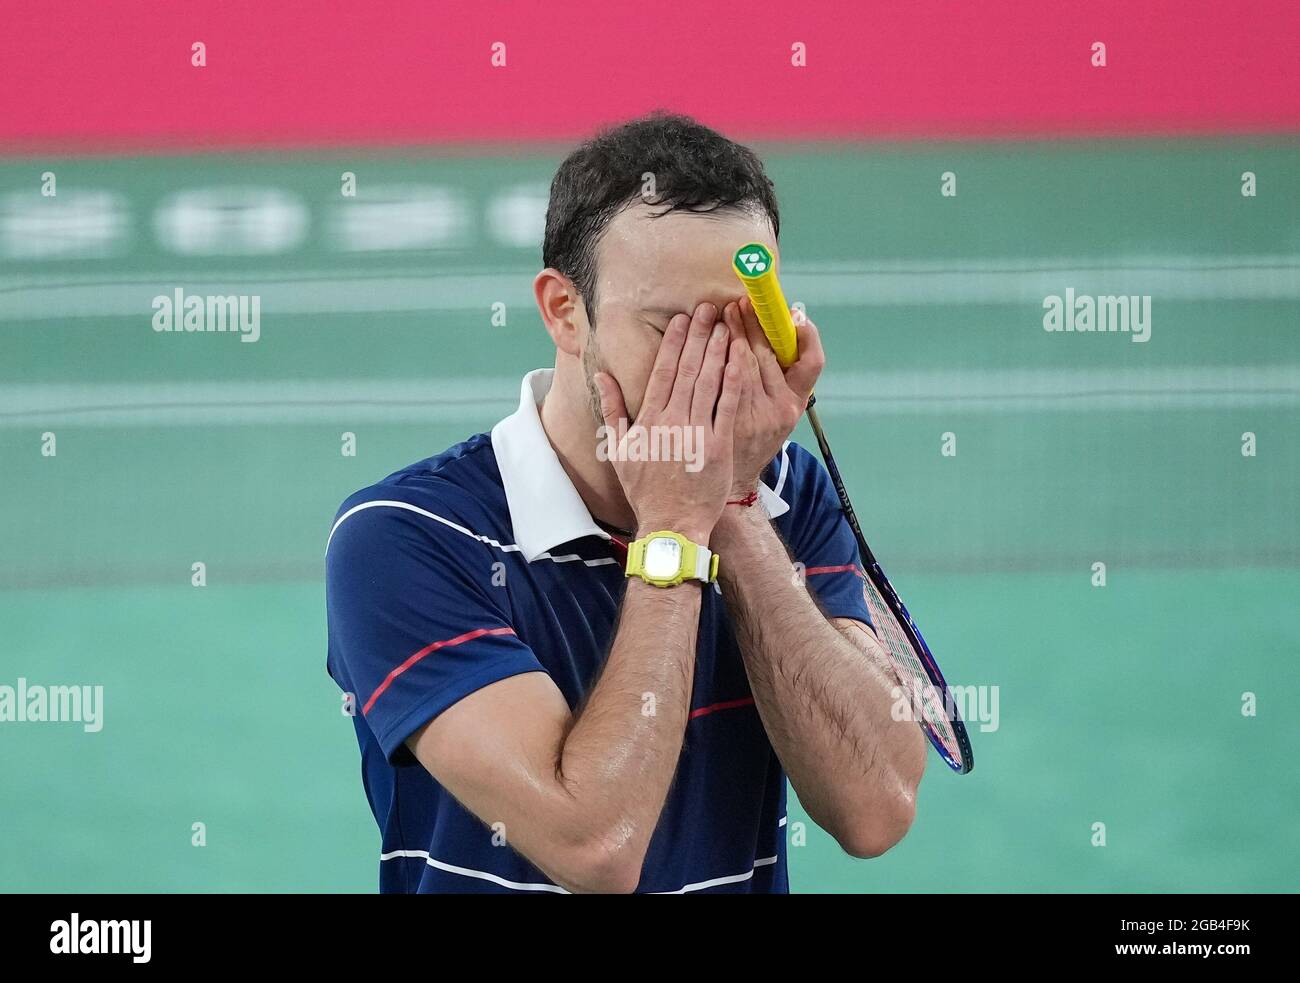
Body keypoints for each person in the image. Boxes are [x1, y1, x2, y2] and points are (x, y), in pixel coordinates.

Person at [325, 113, 926, 893]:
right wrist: (675, 526)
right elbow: (596, 846)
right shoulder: (407, 537)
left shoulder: (787, 496)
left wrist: (733, 508)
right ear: (563, 311)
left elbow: (875, 808)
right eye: (671, 329)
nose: (715, 372)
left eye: (745, 328)